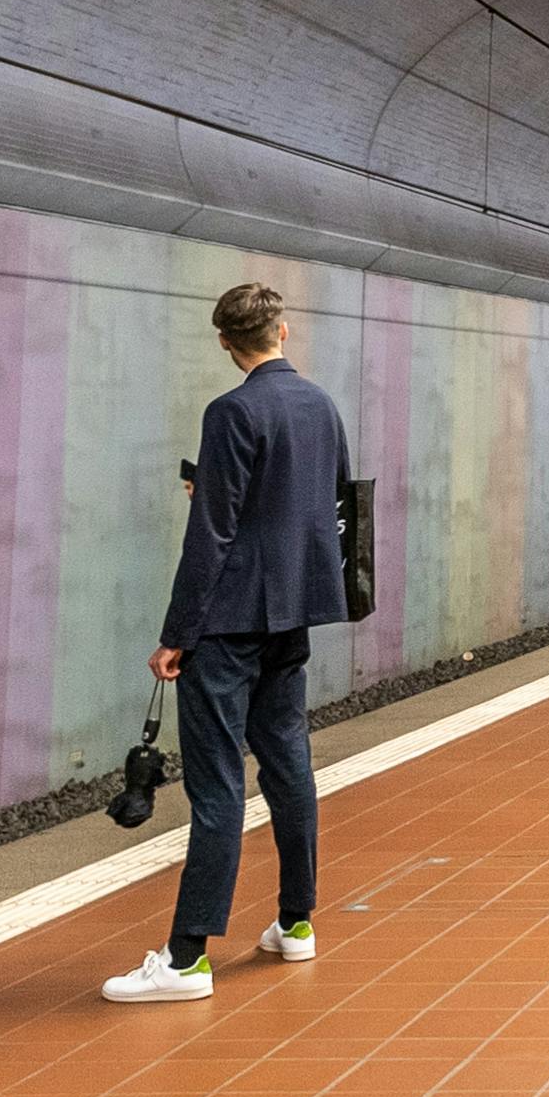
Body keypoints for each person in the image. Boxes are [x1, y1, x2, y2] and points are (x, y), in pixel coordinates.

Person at [105, 282, 358, 1004]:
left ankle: (186, 960)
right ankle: (296, 922)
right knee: (288, 767)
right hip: (293, 616)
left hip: (230, 621)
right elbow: (331, 498)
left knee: (218, 789)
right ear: (283, 329)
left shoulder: (232, 411)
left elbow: (211, 532)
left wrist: (176, 635)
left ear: (225, 342)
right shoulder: (320, 405)